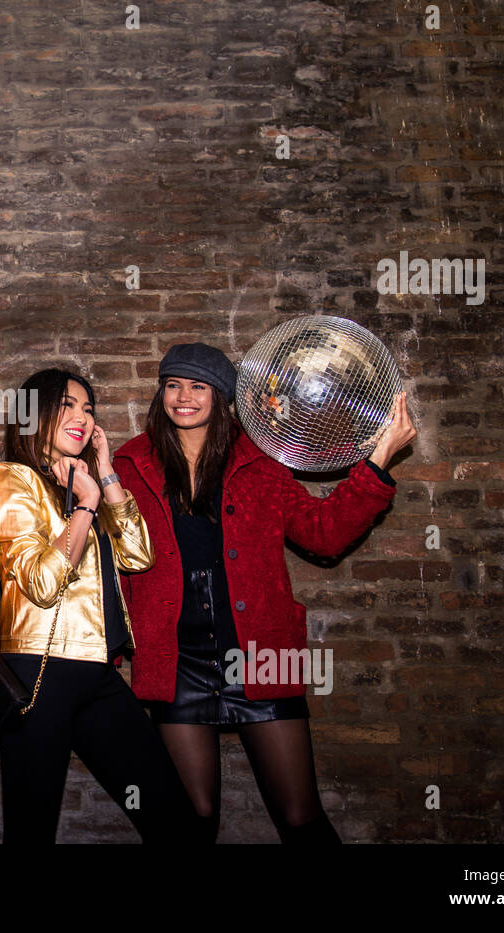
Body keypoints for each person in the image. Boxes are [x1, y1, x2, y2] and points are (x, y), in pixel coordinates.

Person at [112, 342, 416, 843]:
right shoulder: (130, 465)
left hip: (262, 655)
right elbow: (113, 564)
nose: (182, 397)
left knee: (300, 817)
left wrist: (379, 461)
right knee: (192, 820)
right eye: (173, 385)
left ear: (222, 397)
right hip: (176, 661)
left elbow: (324, 534)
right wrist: (115, 647)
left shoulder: (261, 463)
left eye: (198, 386)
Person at [0, 368, 199, 843]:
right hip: (40, 674)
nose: (82, 417)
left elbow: (138, 555)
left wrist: (103, 477)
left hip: (96, 671)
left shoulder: (86, 481)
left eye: (88, 408)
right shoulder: (13, 478)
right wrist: (83, 509)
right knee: (31, 831)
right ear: (34, 414)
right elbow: (41, 583)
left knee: (172, 818)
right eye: (67, 405)